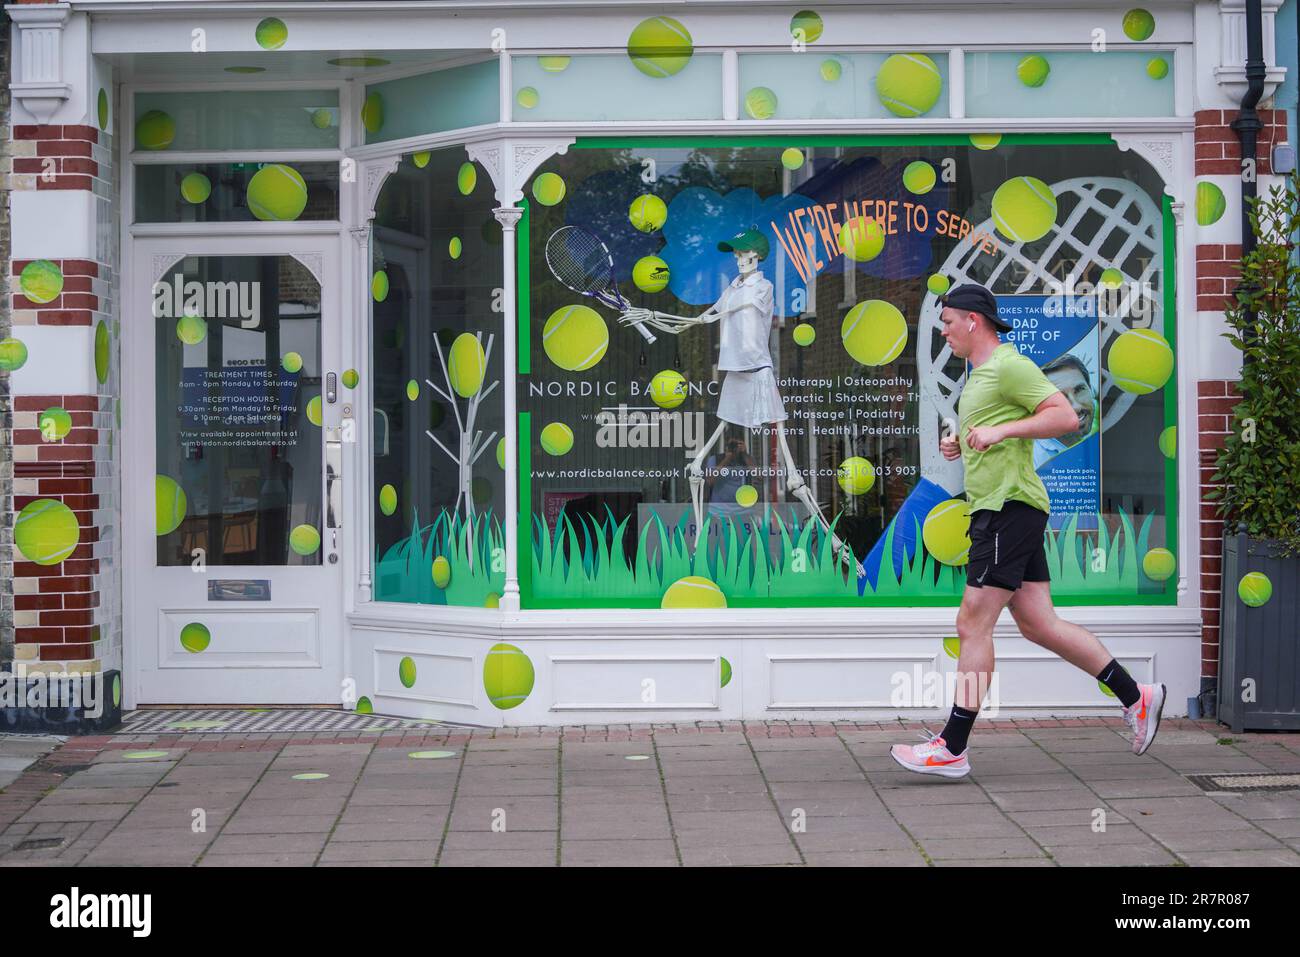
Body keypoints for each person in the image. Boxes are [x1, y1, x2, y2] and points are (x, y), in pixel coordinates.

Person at [890, 283, 1165, 778]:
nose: (944, 332)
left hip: (1007, 510)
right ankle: (1137, 696)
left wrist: (999, 431)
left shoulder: (1008, 365)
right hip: (1006, 508)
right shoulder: (980, 375)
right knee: (1039, 623)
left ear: (973, 320)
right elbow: (993, 431)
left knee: (972, 624)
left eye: (948, 322)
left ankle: (952, 746)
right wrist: (963, 444)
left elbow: (1064, 414)